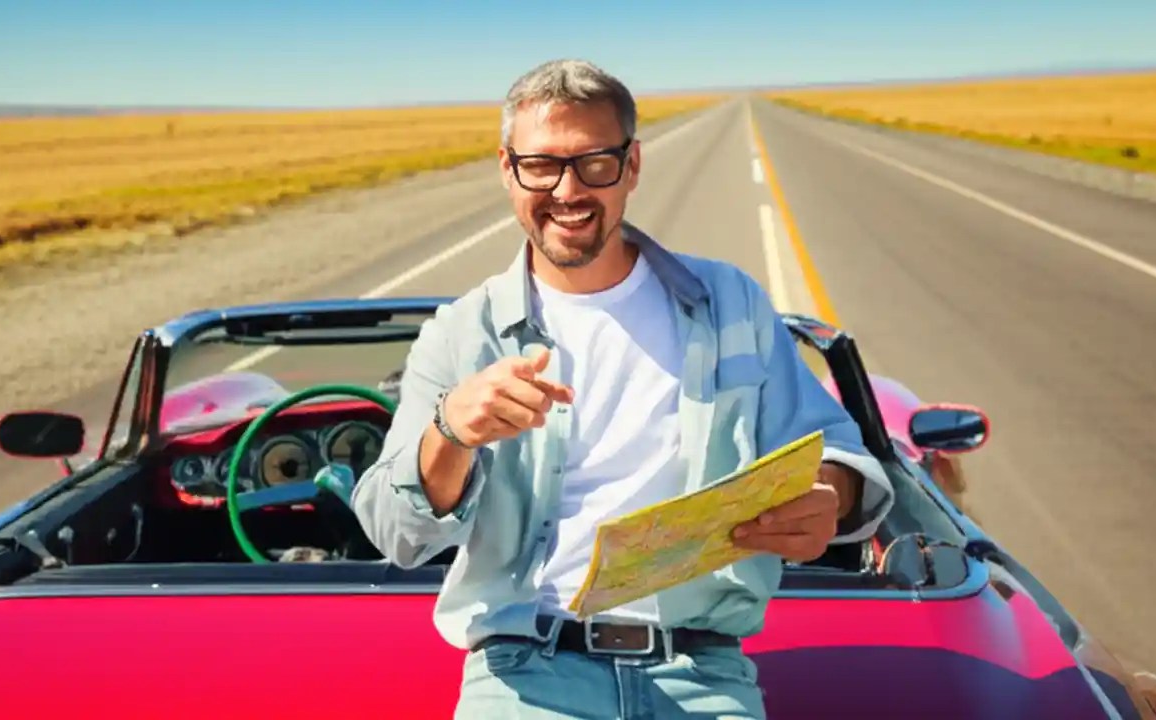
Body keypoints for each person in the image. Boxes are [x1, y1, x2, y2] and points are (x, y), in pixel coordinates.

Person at [338, 59, 895, 719]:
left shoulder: (731, 305)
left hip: (703, 666)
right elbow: (394, 534)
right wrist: (451, 432)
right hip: (525, 673)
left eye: (594, 162)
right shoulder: (462, 335)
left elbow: (833, 447)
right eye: (541, 165)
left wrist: (831, 492)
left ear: (631, 166)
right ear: (506, 168)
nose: (567, 190)